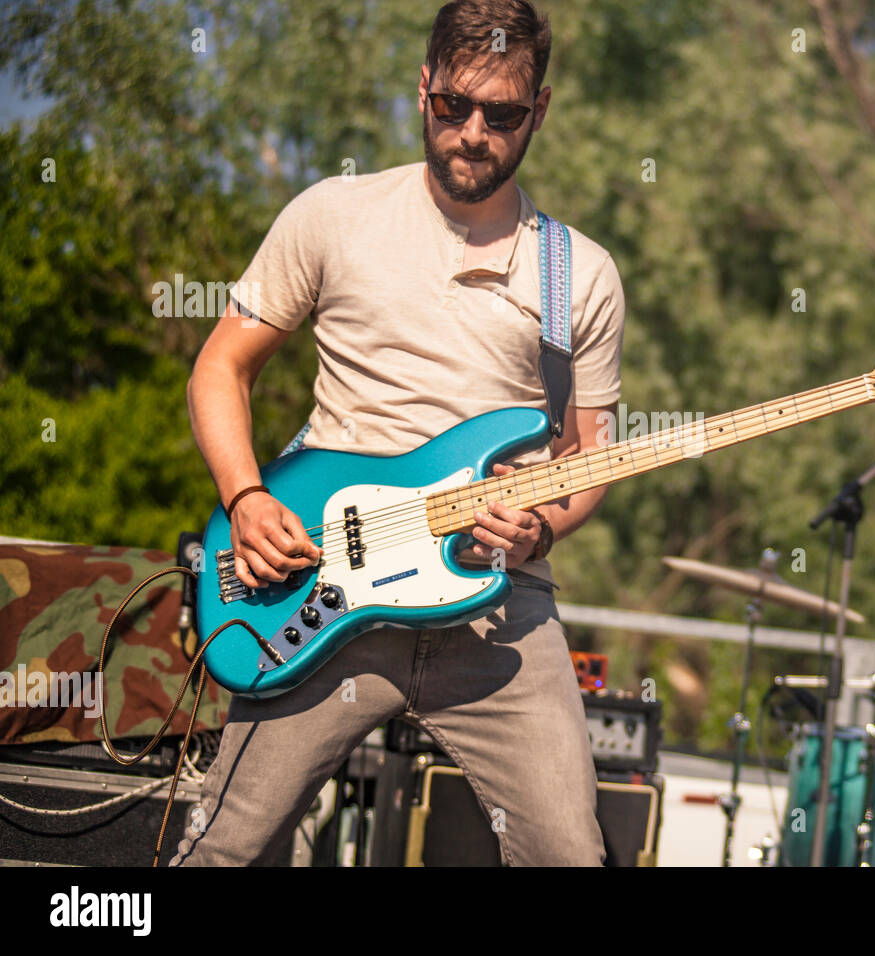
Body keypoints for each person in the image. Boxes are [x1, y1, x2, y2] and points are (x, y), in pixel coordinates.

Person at [173, 0, 625, 866]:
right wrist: (246, 496)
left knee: (570, 852)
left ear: (542, 110)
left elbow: (590, 453)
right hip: (320, 583)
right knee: (228, 847)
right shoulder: (332, 214)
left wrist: (543, 524)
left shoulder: (582, 274)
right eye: (455, 105)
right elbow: (219, 368)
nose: (474, 134)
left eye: (504, 115)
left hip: (500, 603)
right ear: (423, 89)